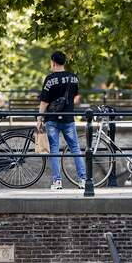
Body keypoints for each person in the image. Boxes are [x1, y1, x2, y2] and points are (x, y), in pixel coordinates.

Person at [37, 51, 85, 190]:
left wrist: (39, 118)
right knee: (75, 148)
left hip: (52, 119)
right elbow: (75, 96)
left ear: (53, 62)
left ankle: (57, 182)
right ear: (64, 62)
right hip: (69, 118)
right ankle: (83, 180)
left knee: (54, 149)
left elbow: (44, 101)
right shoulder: (73, 78)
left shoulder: (50, 79)